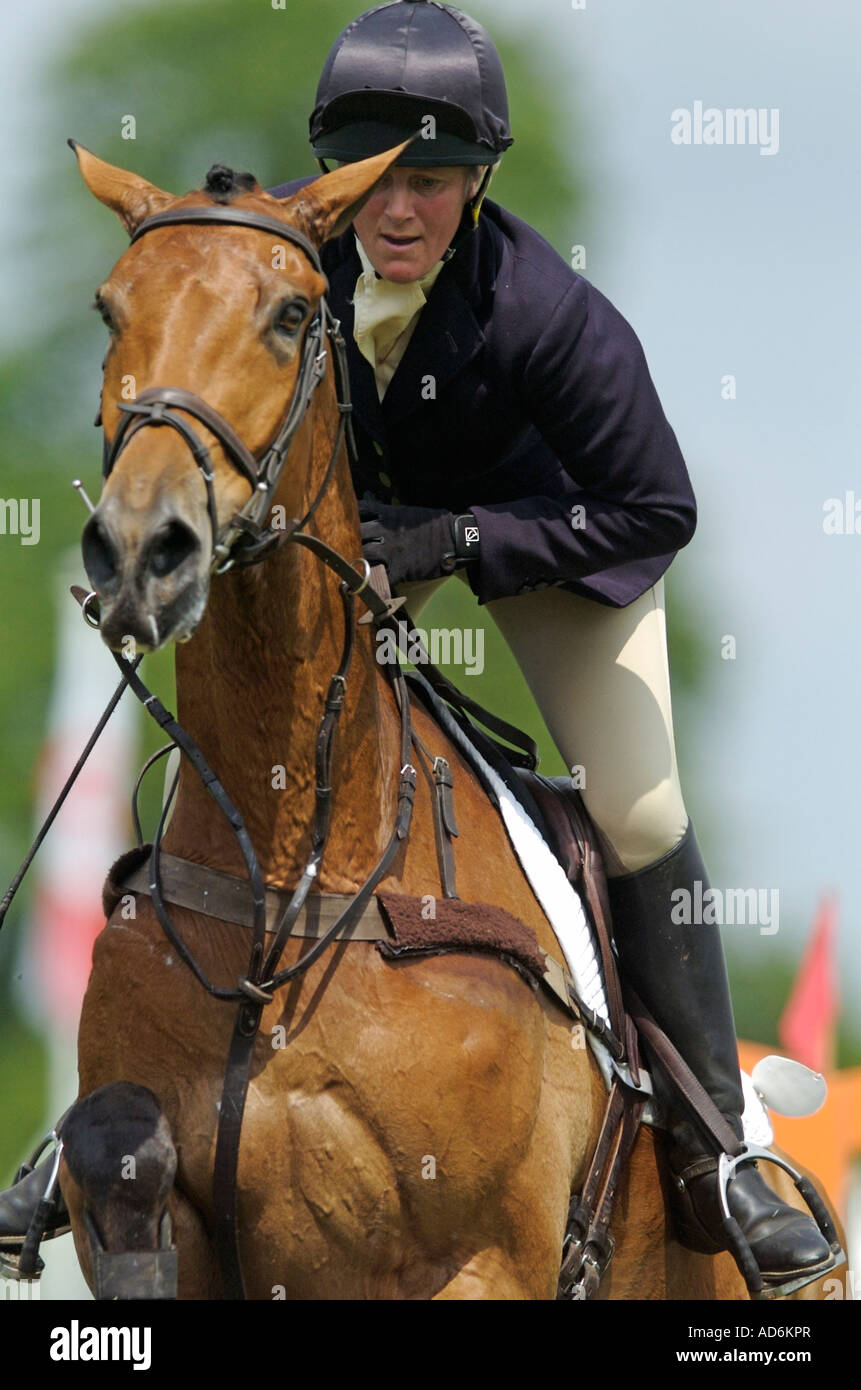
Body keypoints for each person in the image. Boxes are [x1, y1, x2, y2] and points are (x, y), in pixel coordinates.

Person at [0, 0, 837, 1297]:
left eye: (432, 182)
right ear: (333, 174)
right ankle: (102, 1123)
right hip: (343, 549)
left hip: (555, 550)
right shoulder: (283, 250)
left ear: (477, 183)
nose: (399, 209)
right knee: (225, 772)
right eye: (377, 177)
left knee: (634, 803)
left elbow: (653, 508)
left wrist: (453, 539)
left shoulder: (548, 319)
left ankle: (717, 1146)